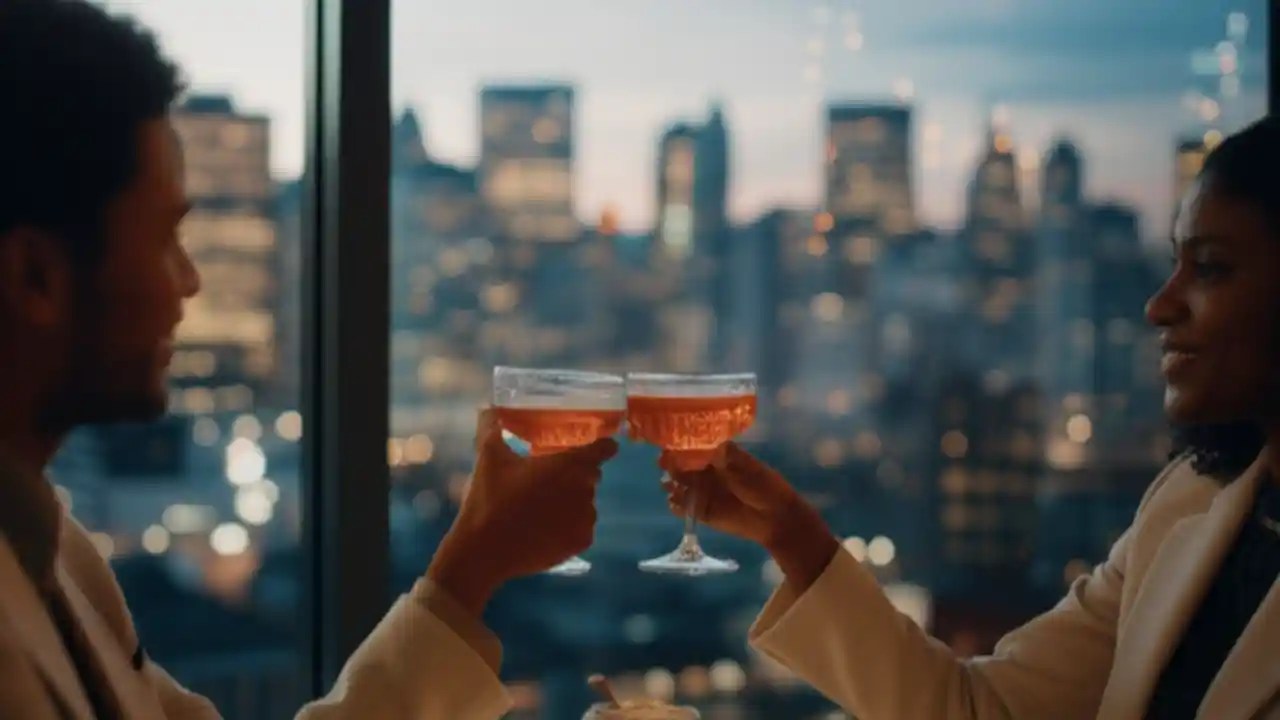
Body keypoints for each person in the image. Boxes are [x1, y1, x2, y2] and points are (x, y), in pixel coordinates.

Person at [0, 1, 616, 718]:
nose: (190, 282)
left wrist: (472, 565)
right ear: (35, 278)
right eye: (166, 238)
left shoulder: (56, 552)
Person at [664, 116, 1280, 720]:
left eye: (1211, 268)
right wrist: (793, 535)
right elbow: (982, 710)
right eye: (1174, 263)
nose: (1159, 304)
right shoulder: (1187, 507)